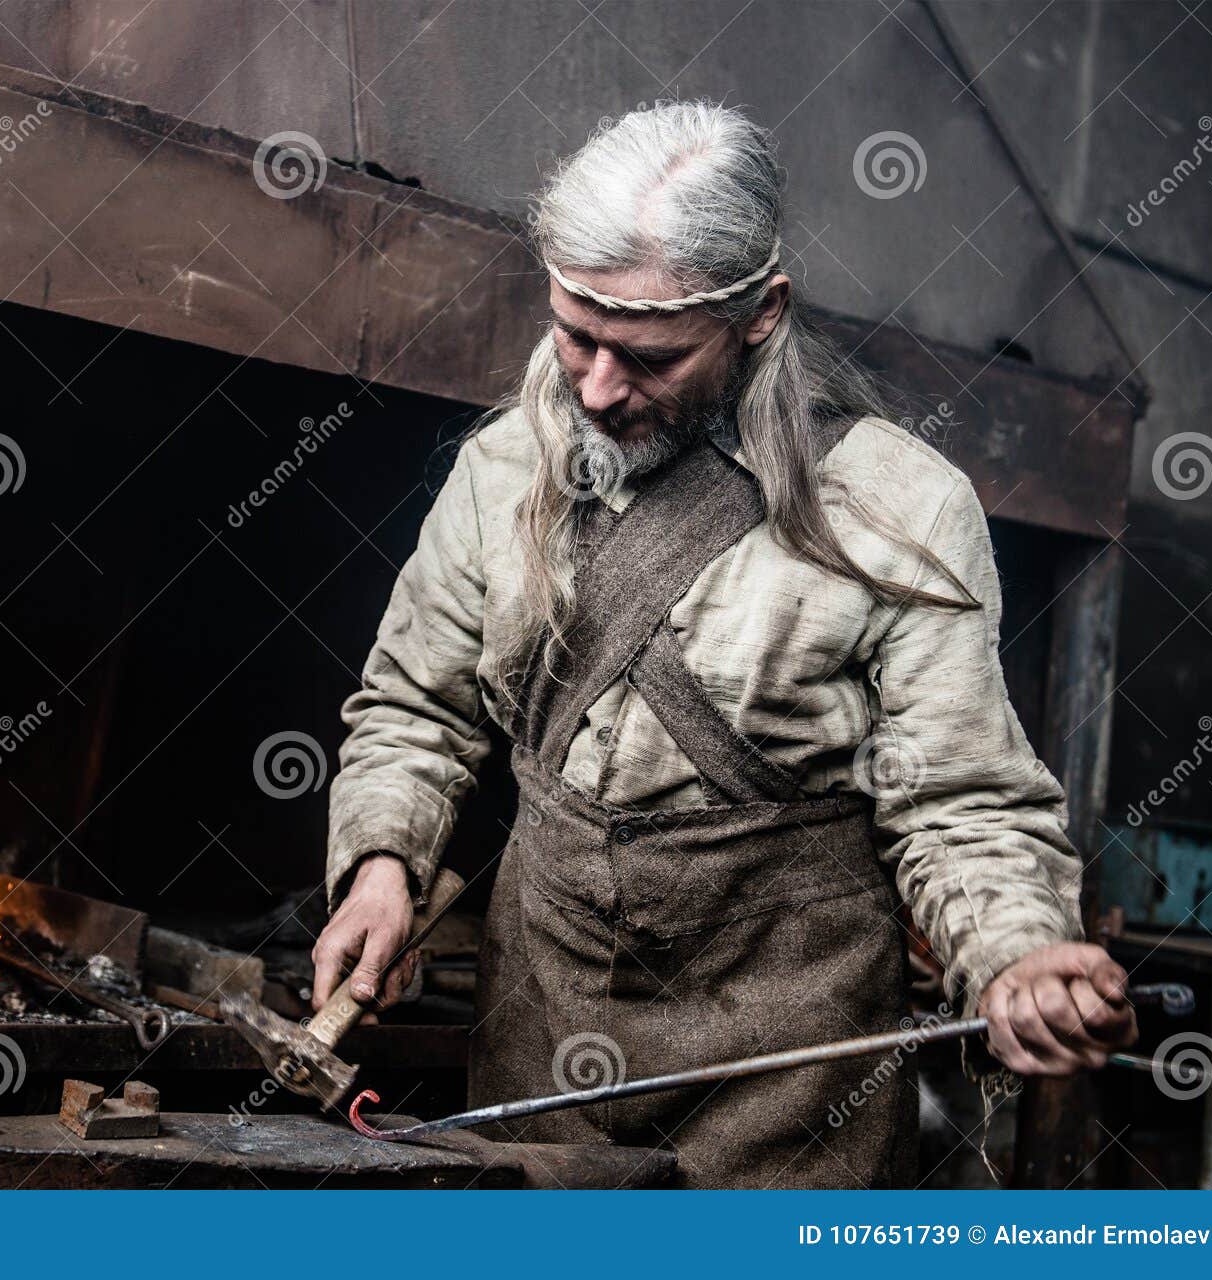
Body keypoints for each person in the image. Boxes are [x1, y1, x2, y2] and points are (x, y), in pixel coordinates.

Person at [313, 100, 1136, 1187]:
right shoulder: (502, 468)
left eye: (647, 356)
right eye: (575, 335)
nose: (596, 389)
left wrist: (1015, 954)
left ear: (759, 312)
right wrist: (382, 866)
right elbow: (417, 709)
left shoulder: (901, 508)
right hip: (539, 1035)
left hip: (790, 1078)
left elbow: (961, 802)